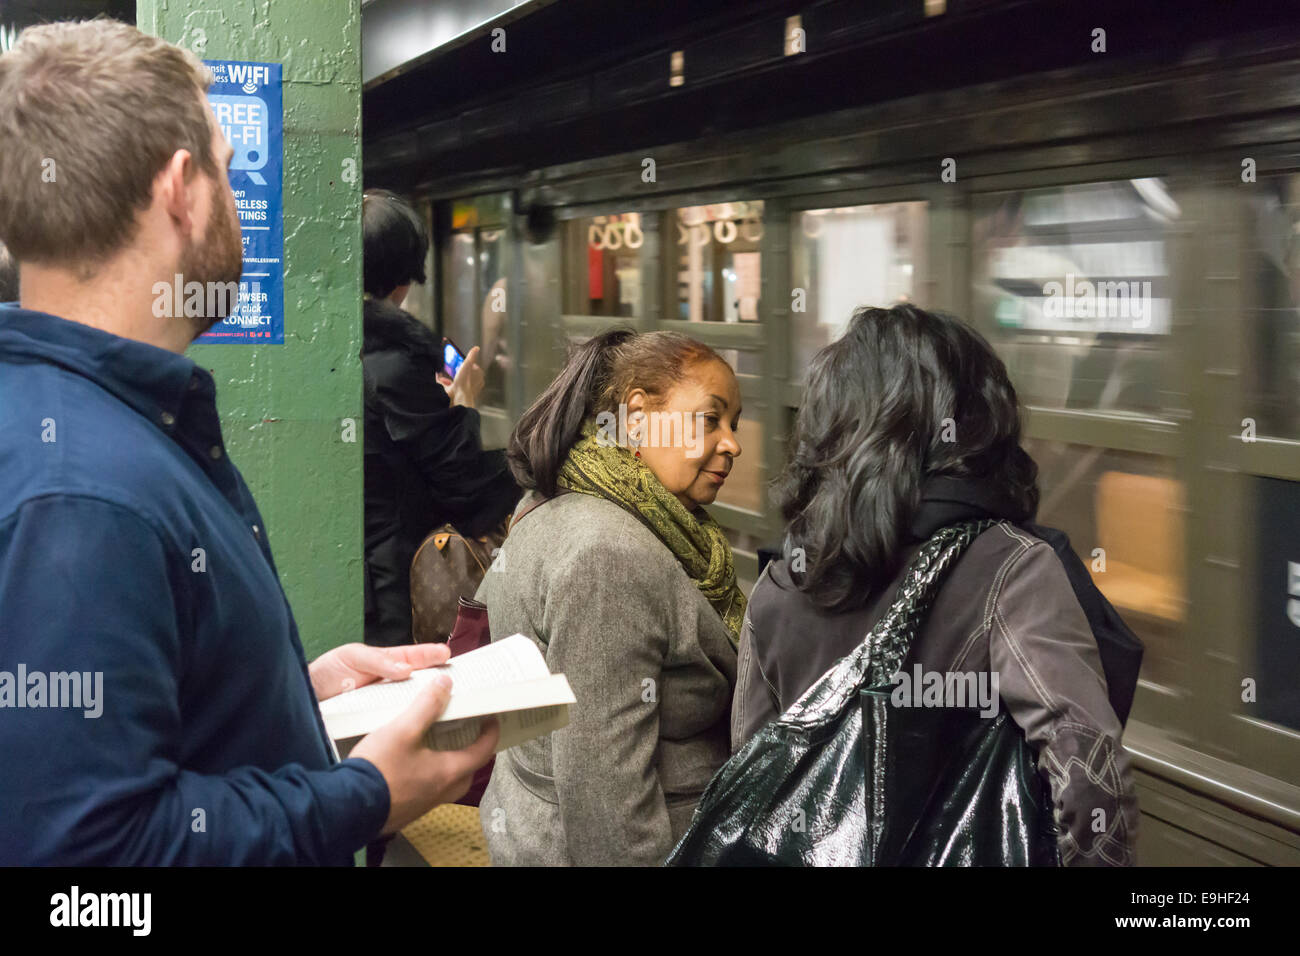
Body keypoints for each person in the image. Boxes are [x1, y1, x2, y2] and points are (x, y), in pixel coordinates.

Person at [0, 20, 496, 865]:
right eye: (229, 173)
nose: (236, 202)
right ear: (181, 190)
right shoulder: (83, 492)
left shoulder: (80, 422)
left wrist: (294, 702)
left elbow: (116, 747)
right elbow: (88, 864)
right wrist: (365, 796)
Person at [734, 304, 1138, 866]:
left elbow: (752, 775)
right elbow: (1091, 778)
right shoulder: (1010, 568)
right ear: (973, 419)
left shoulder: (780, 582)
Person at [477, 328, 743, 865]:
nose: (732, 442)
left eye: (733, 424)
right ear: (638, 415)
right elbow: (606, 802)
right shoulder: (610, 555)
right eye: (710, 419)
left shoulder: (570, 493)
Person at [361, 189, 519, 647]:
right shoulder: (393, 366)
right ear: (403, 280)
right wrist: (463, 405)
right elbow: (464, 486)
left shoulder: (337, 349)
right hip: (396, 587)